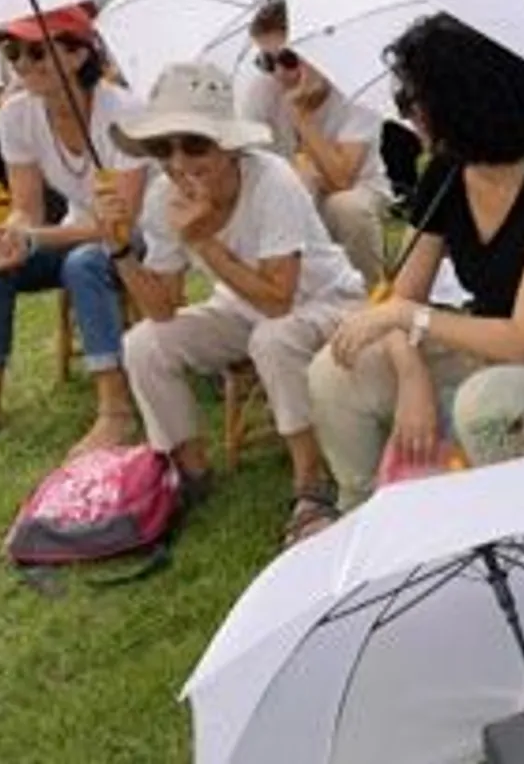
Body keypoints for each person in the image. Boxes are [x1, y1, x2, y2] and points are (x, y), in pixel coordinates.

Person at [308, 15, 524, 510]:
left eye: (415, 102)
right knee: (337, 367)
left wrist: (410, 318)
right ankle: (366, 518)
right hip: (491, 349)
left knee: (487, 404)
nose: (409, 117)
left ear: (462, 103)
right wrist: (411, 377)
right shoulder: (447, 174)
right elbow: (404, 296)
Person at [107, 63, 365, 544]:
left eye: (195, 143)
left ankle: (311, 483)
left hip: (331, 303)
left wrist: (204, 243)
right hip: (244, 307)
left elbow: (278, 300)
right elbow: (162, 309)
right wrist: (121, 249)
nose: (179, 160)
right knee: (143, 342)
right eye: (163, 147)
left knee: (273, 336)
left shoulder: (272, 179)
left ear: (227, 144)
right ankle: (188, 470)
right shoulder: (164, 195)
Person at [0, 6, 147, 457]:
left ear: (79, 54)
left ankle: (115, 409)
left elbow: (119, 224)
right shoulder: (15, 114)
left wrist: (34, 238)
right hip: (75, 229)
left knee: (85, 262)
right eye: (13, 52)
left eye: (38, 51)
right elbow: (26, 208)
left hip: (141, 234)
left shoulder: (126, 111)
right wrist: (10, 233)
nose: (22, 64)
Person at [239, 0, 393, 287]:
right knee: (286, 194)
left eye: (288, 59)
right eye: (266, 62)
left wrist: (301, 115)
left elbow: (342, 179)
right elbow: (246, 163)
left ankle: (371, 298)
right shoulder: (262, 89)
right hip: (292, 188)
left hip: (360, 187)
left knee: (345, 207)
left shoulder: (354, 89)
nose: (279, 73)